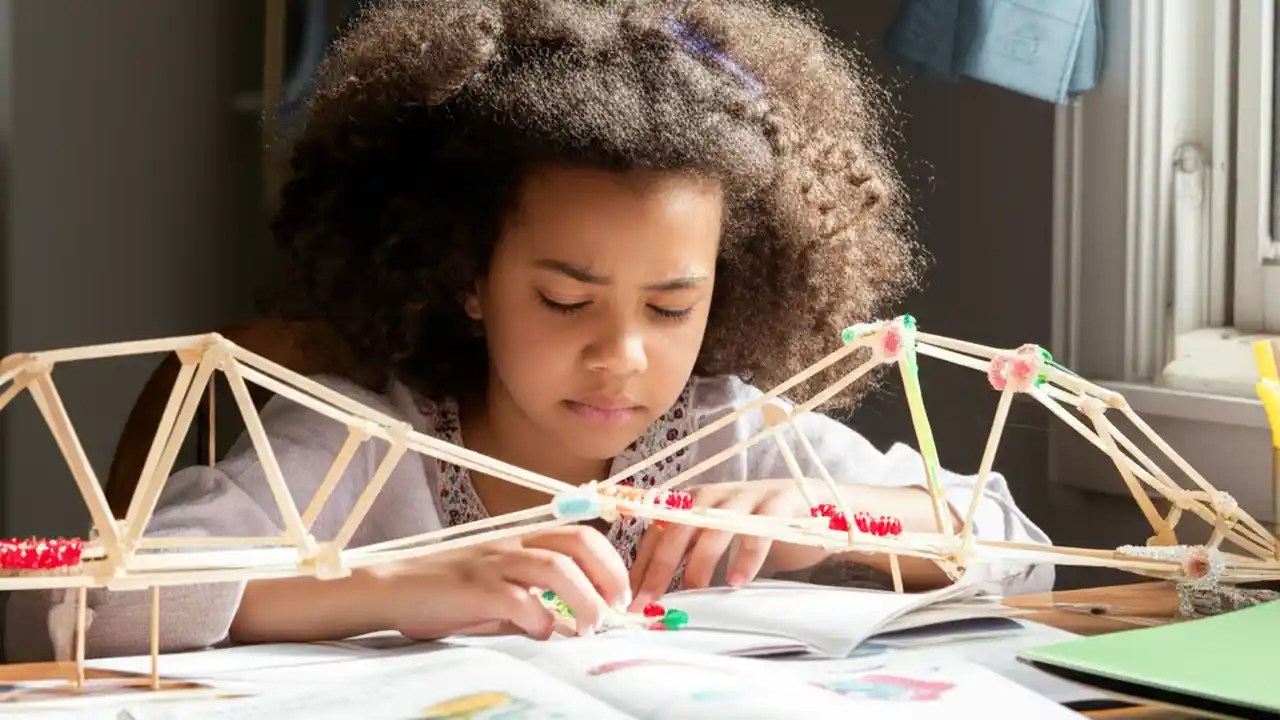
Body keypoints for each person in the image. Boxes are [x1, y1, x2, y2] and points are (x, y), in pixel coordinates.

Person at [5, 0, 1052, 662]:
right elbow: (77, 606)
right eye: (564, 300)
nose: (622, 356)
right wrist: (383, 589)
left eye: (670, 305)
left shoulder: (734, 434)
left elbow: (1024, 555)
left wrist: (844, 514)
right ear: (467, 276)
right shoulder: (363, 451)